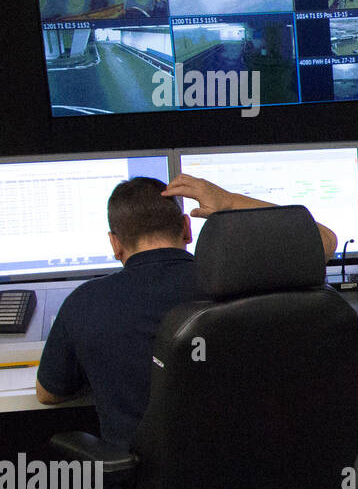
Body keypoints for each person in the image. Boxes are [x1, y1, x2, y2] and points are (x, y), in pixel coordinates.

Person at [35, 173, 338, 451]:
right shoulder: (244, 282)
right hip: (253, 487)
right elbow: (325, 242)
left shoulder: (84, 302)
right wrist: (228, 201)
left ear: (115, 243)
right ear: (186, 227)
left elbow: (49, 394)